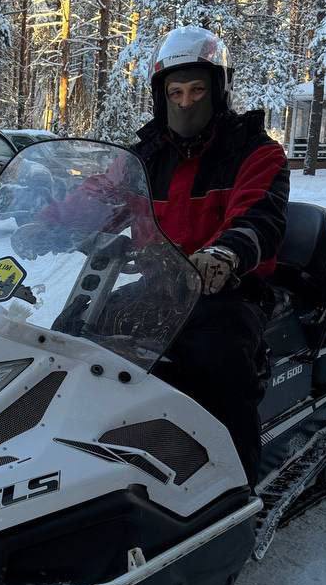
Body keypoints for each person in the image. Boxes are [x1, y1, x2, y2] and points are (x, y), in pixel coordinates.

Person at [16, 26, 288, 483]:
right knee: (72, 336)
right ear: (161, 95)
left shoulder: (254, 151)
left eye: (197, 89)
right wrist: (51, 225)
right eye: (175, 91)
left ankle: (235, 485)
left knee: (219, 360)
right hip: (161, 286)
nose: (185, 102)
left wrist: (225, 252)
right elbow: (100, 196)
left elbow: (260, 214)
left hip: (228, 289)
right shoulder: (145, 156)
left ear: (219, 90)